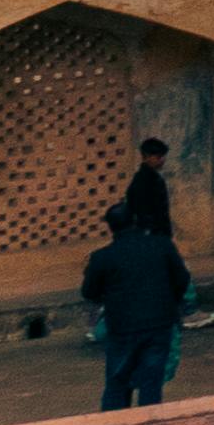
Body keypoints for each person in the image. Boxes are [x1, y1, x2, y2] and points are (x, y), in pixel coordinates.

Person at [80, 147, 189, 411]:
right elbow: (182, 280)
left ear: (111, 227)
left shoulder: (102, 257)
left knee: (118, 382)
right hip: (159, 323)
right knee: (151, 384)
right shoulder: (161, 246)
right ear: (135, 221)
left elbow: (90, 292)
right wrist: (168, 303)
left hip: (123, 327)